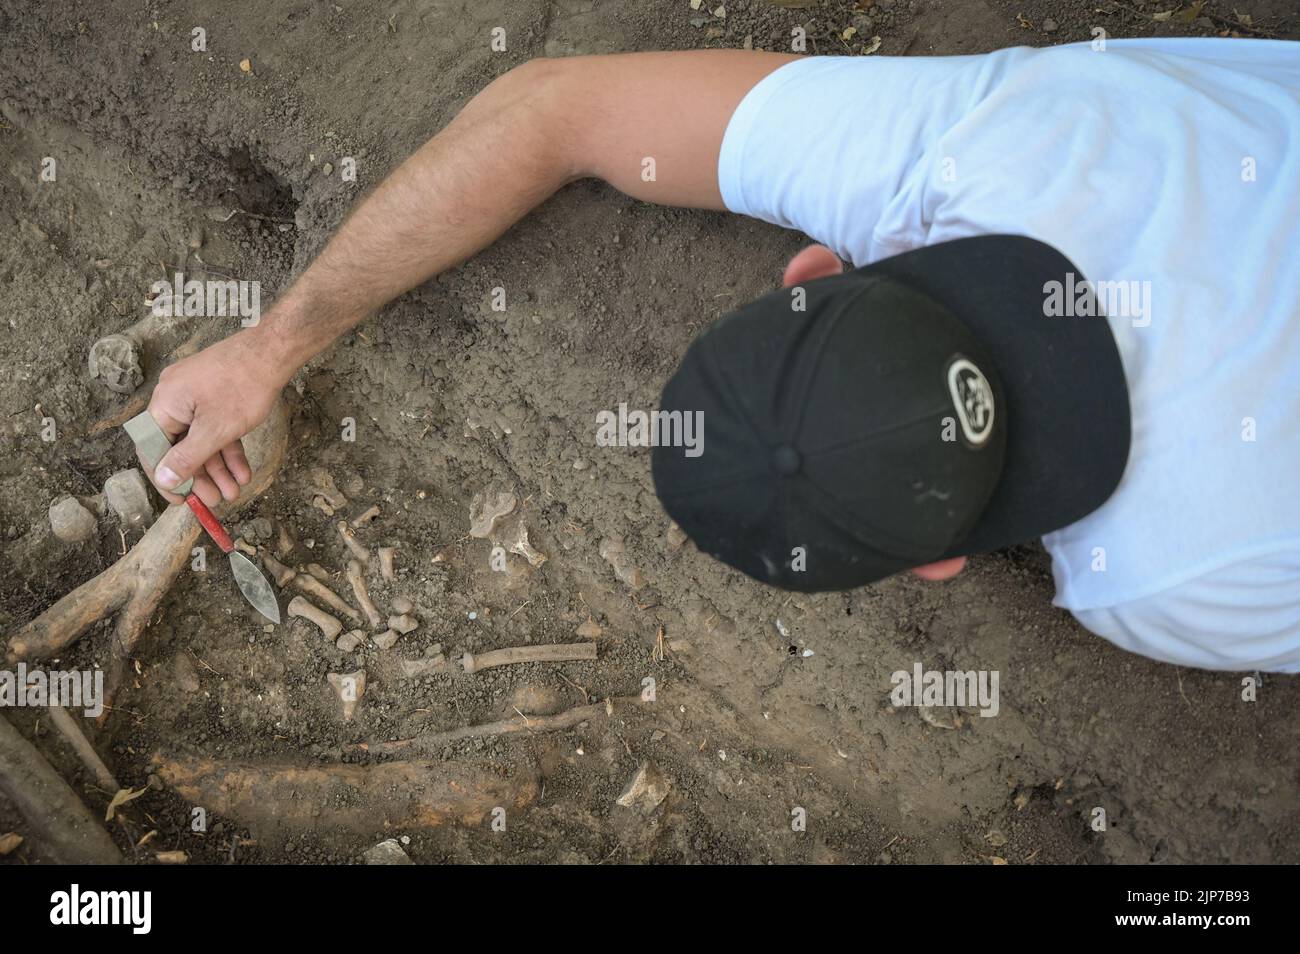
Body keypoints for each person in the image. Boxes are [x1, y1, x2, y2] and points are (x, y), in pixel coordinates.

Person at [139, 39, 1300, 672]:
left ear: (936, 566)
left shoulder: (1177, 583)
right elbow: (556, 108)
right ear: (815, 271)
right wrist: (269, 341)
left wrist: (275, 346)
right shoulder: (1013, 150)